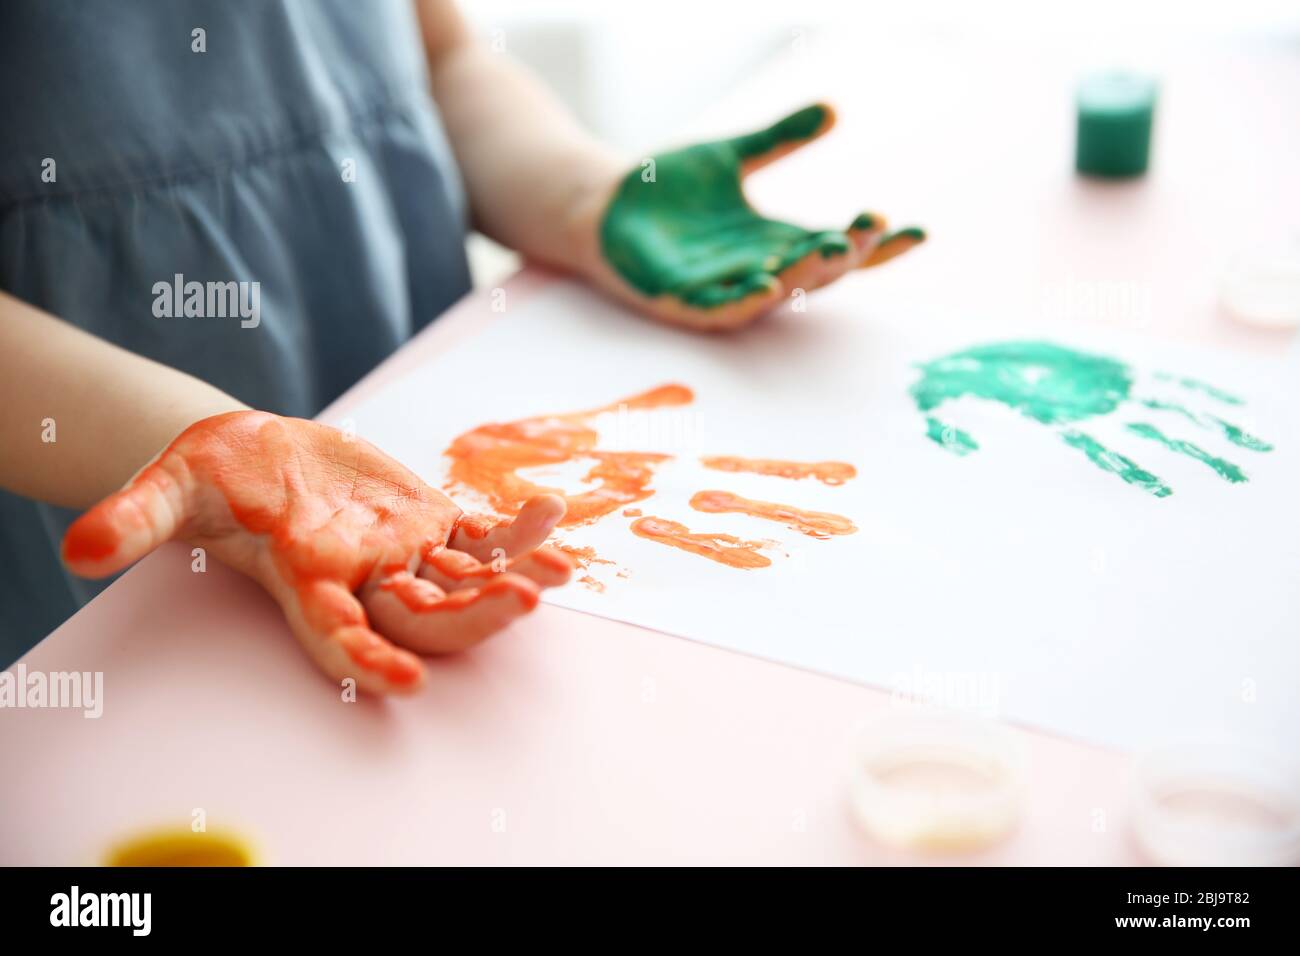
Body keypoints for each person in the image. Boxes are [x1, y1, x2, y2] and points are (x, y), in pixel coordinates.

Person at [0, 0, 921, 690]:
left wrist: (576, 195)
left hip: (397, 441)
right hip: (96, 470)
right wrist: (196, 439)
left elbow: (439, 59)